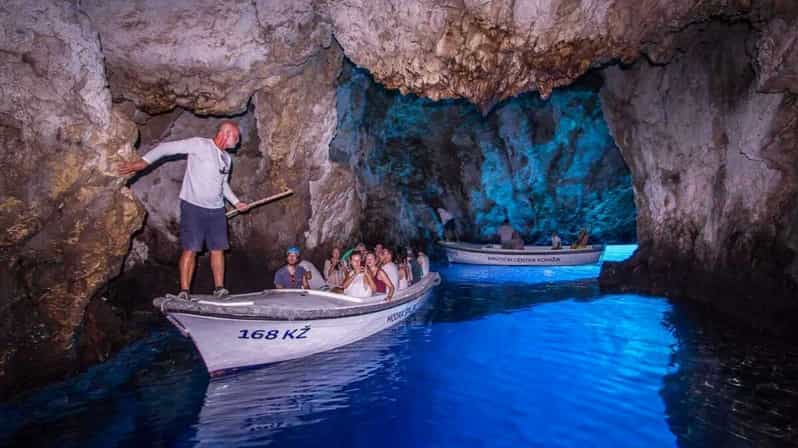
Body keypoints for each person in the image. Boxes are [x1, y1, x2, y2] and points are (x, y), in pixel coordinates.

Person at [118, 121, 249, 301]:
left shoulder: (227, 159)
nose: (238, 141)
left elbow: (223, 184)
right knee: (191, 248)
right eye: (236, 137)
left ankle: (219, 288)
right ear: (226, 133)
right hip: (193, 207)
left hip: (217, 210)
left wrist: (236, 202)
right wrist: (143, 162)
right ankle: (185, 291)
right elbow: (165, 148)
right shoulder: (200, 145)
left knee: (218, 249)